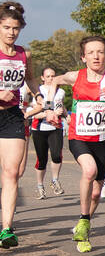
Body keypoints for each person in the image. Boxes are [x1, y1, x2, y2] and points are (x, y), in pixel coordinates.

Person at [48, 36, 105, 252]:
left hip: (102, 139)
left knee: (97, 193)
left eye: (100, 52)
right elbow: (53, 81)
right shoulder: (75, 76)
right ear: (83, 57)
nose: (96, 56)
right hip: (78, 137)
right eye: (91, 52)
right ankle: (83, 219)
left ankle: (84, 225)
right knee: (88, 171)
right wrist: (53, 107)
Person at [0, 1, 35, 247]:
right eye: (6, 27)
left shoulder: (24, 54)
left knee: (12, 172)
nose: (11, 32)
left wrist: (40, 95)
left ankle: (7, 229)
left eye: (15, 28)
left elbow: (30, 79)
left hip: (12, 115)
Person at [30, 65, 67, 201]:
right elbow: (35, 114)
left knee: (57, 155)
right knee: (42, 160)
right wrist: (48, 114)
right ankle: (40, 186)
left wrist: (65, 115)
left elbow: (61, 105)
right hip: (40, 129)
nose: (51, 79)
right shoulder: (38, 92)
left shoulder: (60, 91)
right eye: (48, 76)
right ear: (42, 78)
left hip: (55, 128)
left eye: (53, 76)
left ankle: (55, 180)